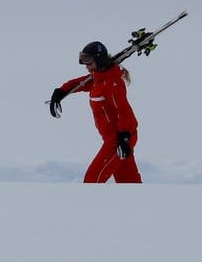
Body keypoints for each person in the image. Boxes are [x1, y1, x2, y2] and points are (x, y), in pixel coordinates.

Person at [49, 41, 142, 184]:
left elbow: (123, 111)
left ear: (99, 60)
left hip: (119, 139)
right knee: (128, 183)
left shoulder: (113, 83)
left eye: (89, 62)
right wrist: (60, 92)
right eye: (84, 62)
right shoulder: (98, 78)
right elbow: (81, 83)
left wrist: (123, 139)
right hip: (115, 138)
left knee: (92, 181)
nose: (86, 66)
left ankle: (89, 205)